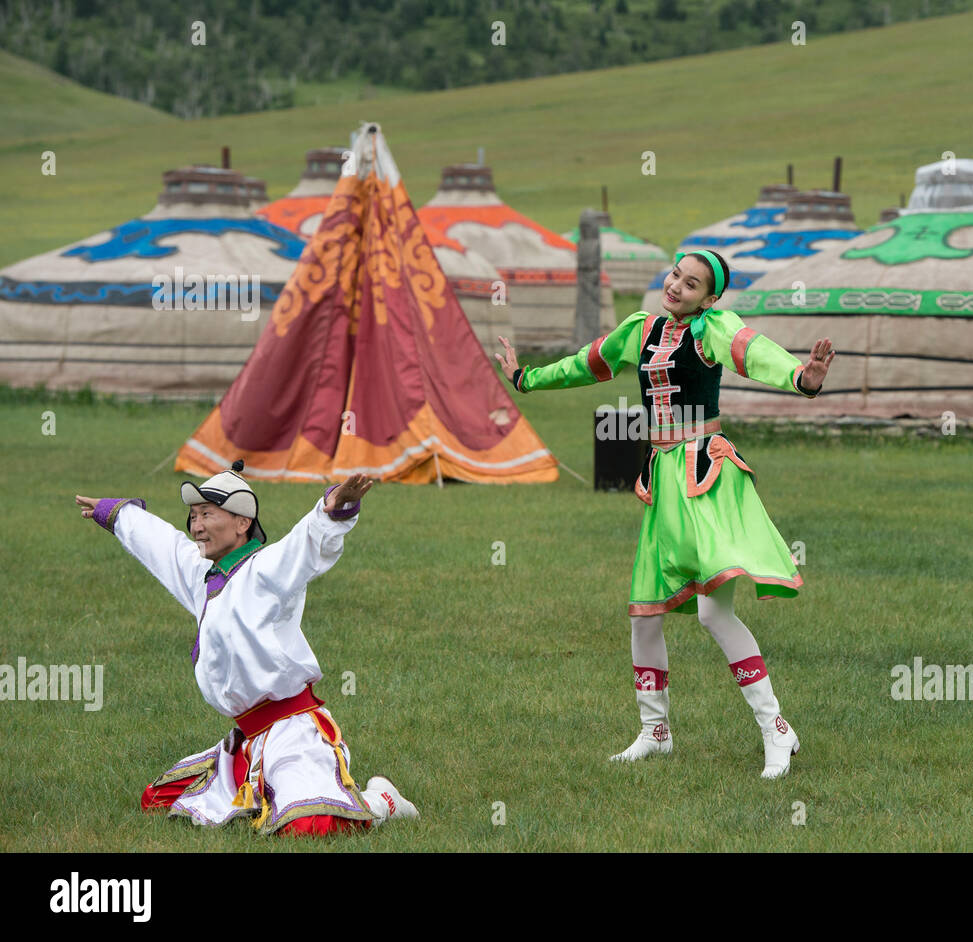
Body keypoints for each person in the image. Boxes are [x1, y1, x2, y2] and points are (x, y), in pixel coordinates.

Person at [495, 249, 834, 778]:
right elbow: (586, 364)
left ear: (710, 298)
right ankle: (655, 732)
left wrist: (803, 377)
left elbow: (756, 352)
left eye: (692, 284)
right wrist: (525, 379)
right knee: (646, 609)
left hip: (706, 475)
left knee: (712, 613)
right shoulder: (641, 329)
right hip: (662, 479)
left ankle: (776, 728)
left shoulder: (713, 330)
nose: (677, 287)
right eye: (676, 275)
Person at [75, 463, 418, 836]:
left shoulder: (266, 569)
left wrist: (333, 510)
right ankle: (260, 789)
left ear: (242, 523)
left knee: (308, 825)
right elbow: (165, 547)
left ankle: (380, 800)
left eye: (207, 514)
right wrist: (119, 514)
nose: (197, 526)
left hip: (294, 734)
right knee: (157, 800)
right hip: (248, 739)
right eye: (193, 516)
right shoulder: (203, 575)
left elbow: (303, 544)